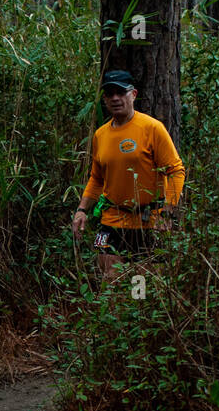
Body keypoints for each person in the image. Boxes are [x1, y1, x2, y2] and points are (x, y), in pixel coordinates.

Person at [71, 70, 186, 281]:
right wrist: (81, 209)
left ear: (133, 94)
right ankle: (107, 313)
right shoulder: (100, 135)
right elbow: (97, 178)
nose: (115, 98)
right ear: (104, 98)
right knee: (108, 279)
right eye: (109, 93)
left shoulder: (152, 128)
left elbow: (175, 170)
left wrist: (167, 212)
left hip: (148, 221)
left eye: (121, 93)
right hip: (110, 221)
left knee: (144, 287)